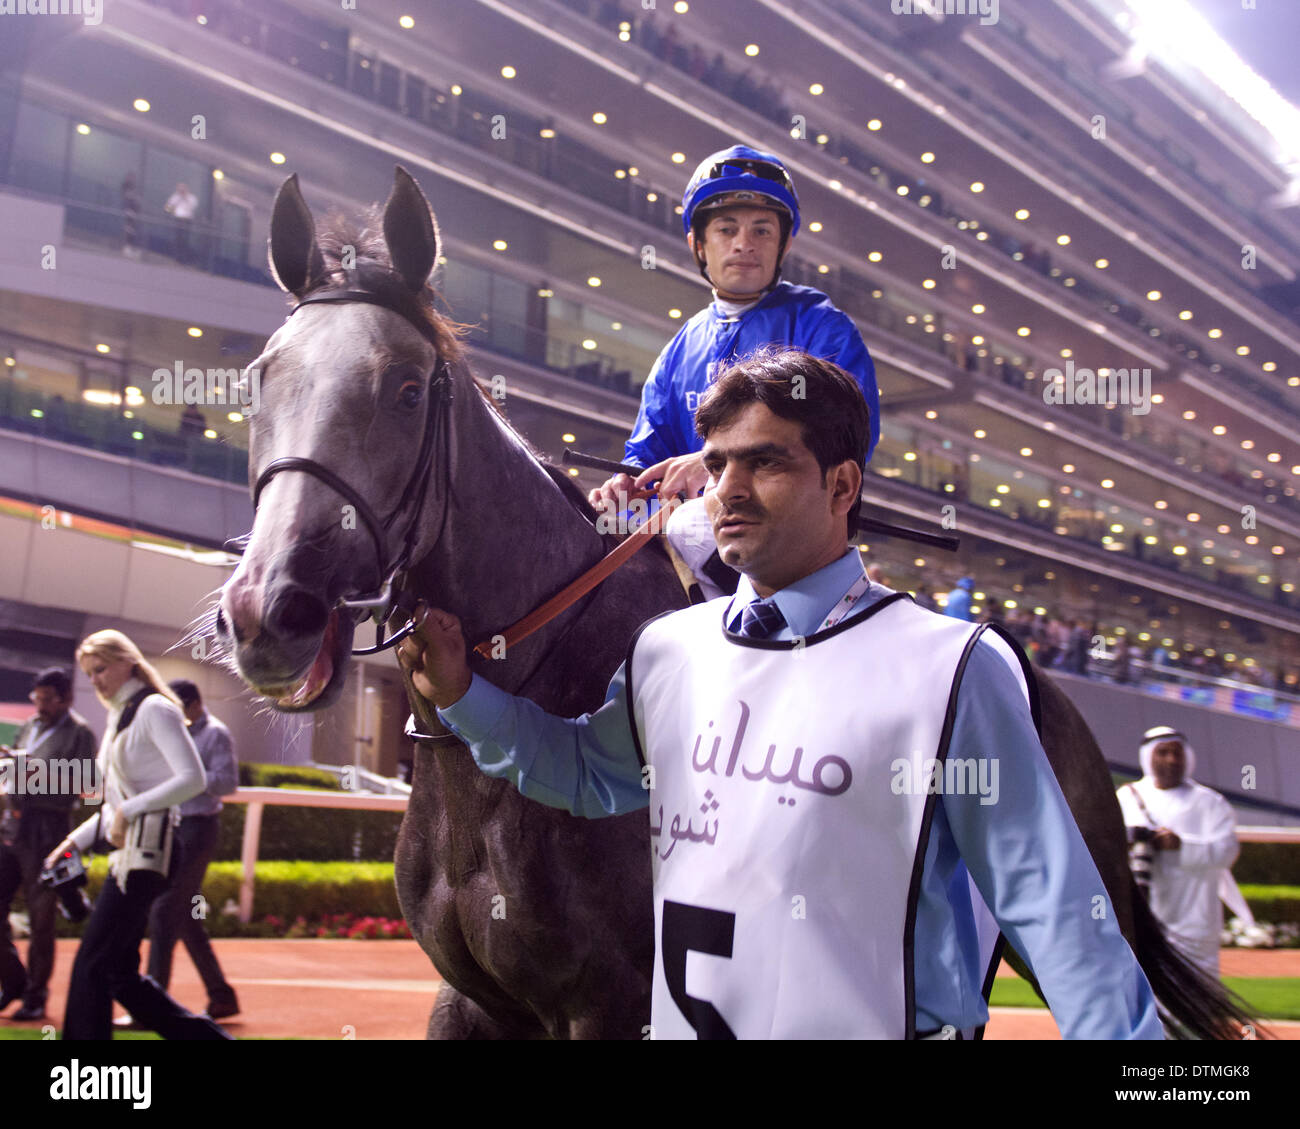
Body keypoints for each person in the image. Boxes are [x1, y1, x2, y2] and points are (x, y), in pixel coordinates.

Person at [399, 349, 1161, 1039]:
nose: (727, 490)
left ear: (842, 484)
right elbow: (581, 772)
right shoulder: (668, 650)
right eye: (717, 462)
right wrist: (465, 694)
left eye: (764, 462)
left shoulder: (956, 668)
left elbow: (1063, 922)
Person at [586, 145, 879, 599]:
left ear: (784, 243)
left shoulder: (824, 326)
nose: (745, 243)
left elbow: (845, 439)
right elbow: (647, 454)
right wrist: (627, 485)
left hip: (776, 521)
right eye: (727, 229)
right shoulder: (680, 346)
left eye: (762, 230)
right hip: (689, 523)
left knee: (690, 525)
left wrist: (712, 466)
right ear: (697, 244)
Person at [46, 631, 231, 1040]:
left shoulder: (153, 709)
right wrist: (72, 843)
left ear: (127, 662)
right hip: (134, 854)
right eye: (89, 673)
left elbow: (192, 779)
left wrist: (128, 811)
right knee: (117, 972)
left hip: (152, 853)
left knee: (93, 962)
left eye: (101, 668)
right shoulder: (122, 715)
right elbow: (118, 803)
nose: (95, 679)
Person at [0, 669, 97, 1022]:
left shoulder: (80, 732)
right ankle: (14, 981)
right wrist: (11, 763)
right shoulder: (31, 726)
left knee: (42, 919)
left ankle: (35, 996)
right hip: (14, 824)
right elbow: (18, 770)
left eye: (47, 700)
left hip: (50, 828)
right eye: (36, 698)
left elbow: (88, 783)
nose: (39, 705)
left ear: (66, 698)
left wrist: (32, 771)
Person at [140, 681, 240, 1021]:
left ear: (194, 704)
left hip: (198, 829)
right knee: (184, 918)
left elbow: (227, 782)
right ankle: (221, 995)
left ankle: (151, 1007)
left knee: (163, 910)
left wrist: (190, 776)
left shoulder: (215, 733)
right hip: (175, 826)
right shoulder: (174, 733)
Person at [1117, 726, 1240, 980]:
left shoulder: (1209, 802)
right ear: (1148, 757)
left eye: (1177, 753)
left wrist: (1182, 845)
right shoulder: (1127, 798)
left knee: (1198, 988)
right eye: (1163, 753)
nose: (1172, 760)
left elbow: (1227, 852)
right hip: (1142, 912)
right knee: (1146, 986)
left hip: (1194, 915)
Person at [163, 181, 198, 264]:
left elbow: (193, 207)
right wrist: (173, 207)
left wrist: (185, 198)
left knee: (185, 239)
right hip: (178, 219)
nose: (181, 191)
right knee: (177, 238)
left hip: (187, 220)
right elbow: (167, 208)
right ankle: (176, 257)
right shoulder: (175, 197)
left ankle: (184, 259)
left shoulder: (192, 198)